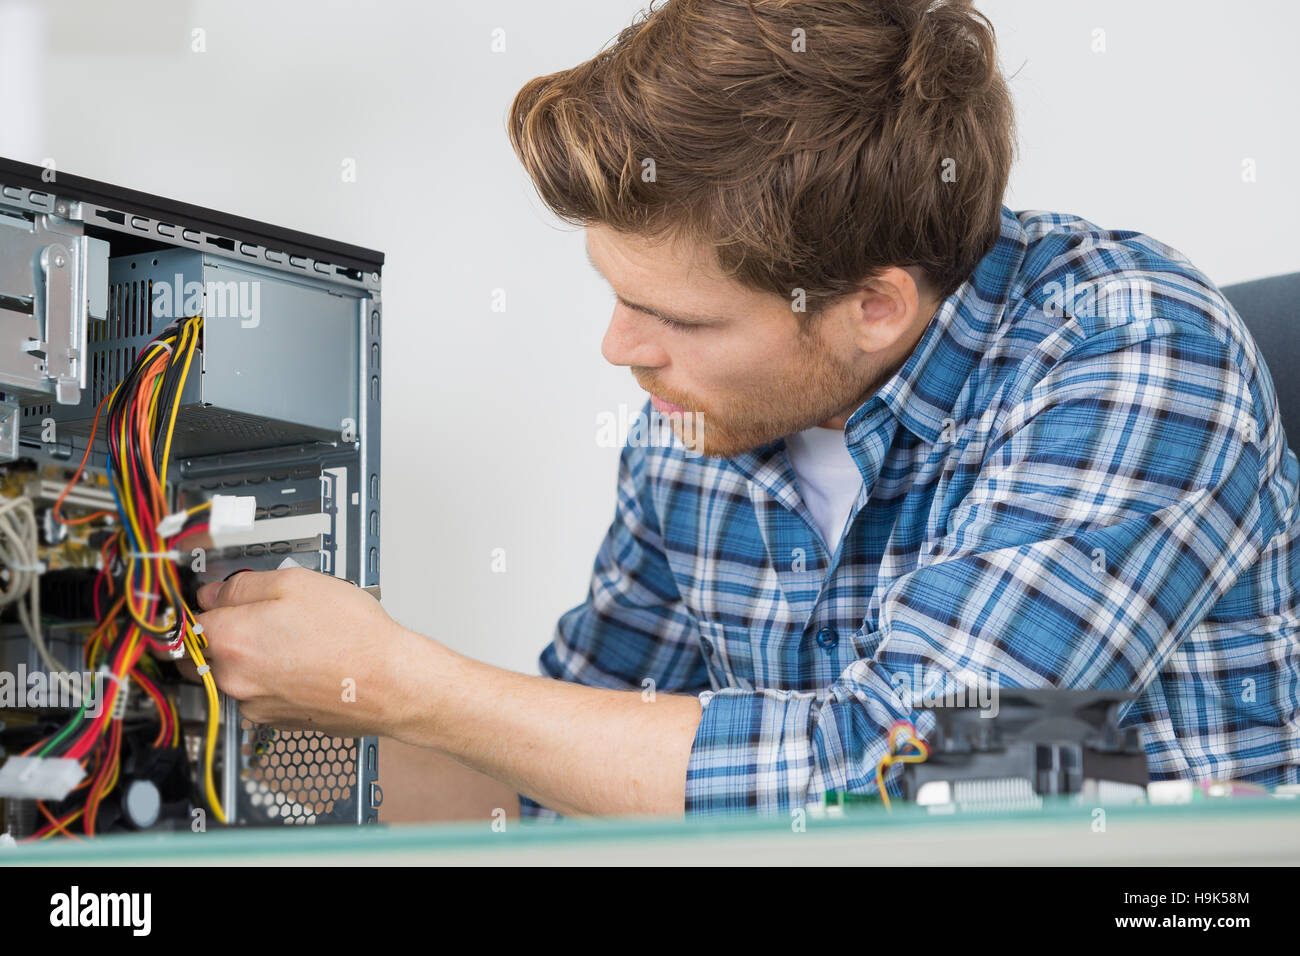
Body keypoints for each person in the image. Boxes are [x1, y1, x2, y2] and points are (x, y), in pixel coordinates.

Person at [189, 0, 1300, 817]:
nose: (620, 349)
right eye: (616, 296)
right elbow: (561, 765)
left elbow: (912, 770)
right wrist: (205, 727)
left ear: (874, 305)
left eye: (678, 317)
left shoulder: (1133, 350)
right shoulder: (697, 425)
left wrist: (403, 678)